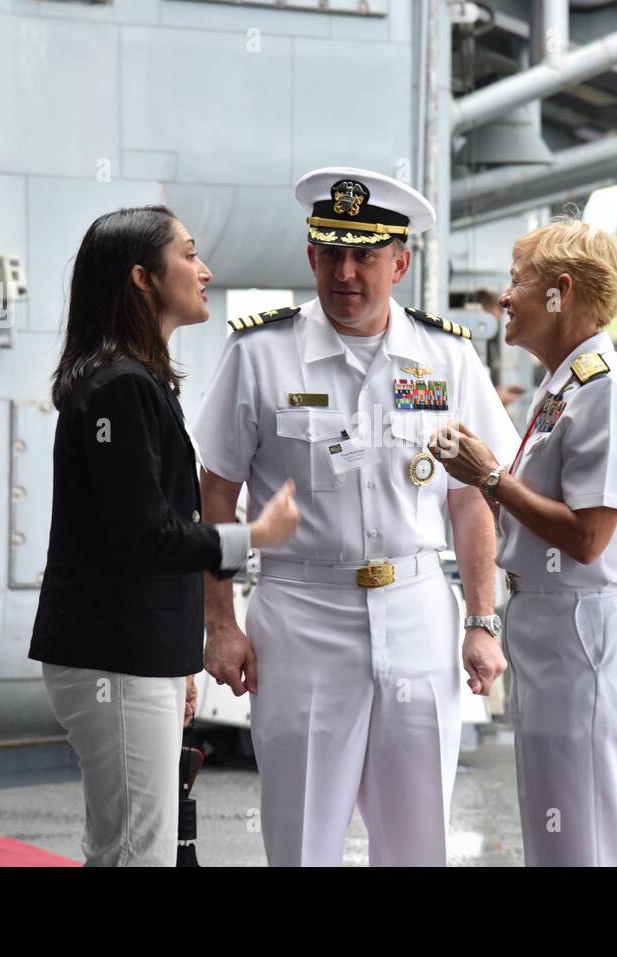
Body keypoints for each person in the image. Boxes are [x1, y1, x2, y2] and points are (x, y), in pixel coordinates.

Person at [192, 167, 519, 866]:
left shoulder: (448, 356)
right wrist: (219, 621)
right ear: (310, 255)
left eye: (365, 254)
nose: (345, 272)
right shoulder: (259, 352)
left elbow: (471, 497)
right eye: (330, 252)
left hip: (416, 606)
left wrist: (482, 620)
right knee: (303, 836)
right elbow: (215, 491)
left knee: (417, 841)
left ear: (400, 262)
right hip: (303, 613)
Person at [28, 205, 299, 866]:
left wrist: (176, 655)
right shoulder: (121, 387)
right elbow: (143, 538)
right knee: (135, 853)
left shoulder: (133, 381)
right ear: (143, 279)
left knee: (125, 844)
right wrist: (250, 535)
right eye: (189, 255)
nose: (205, 271)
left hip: (129, 654)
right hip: (114, 657)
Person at [429, 217, 617, 867]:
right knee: (558, 840)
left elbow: (589, 535)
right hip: (550, 624)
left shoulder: (607, 390)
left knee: (585, 843)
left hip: (582, 627)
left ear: (560, 291)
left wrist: (489, 476)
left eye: (516, 282)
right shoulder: (564, 383)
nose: (504, 297)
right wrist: (483, 482)